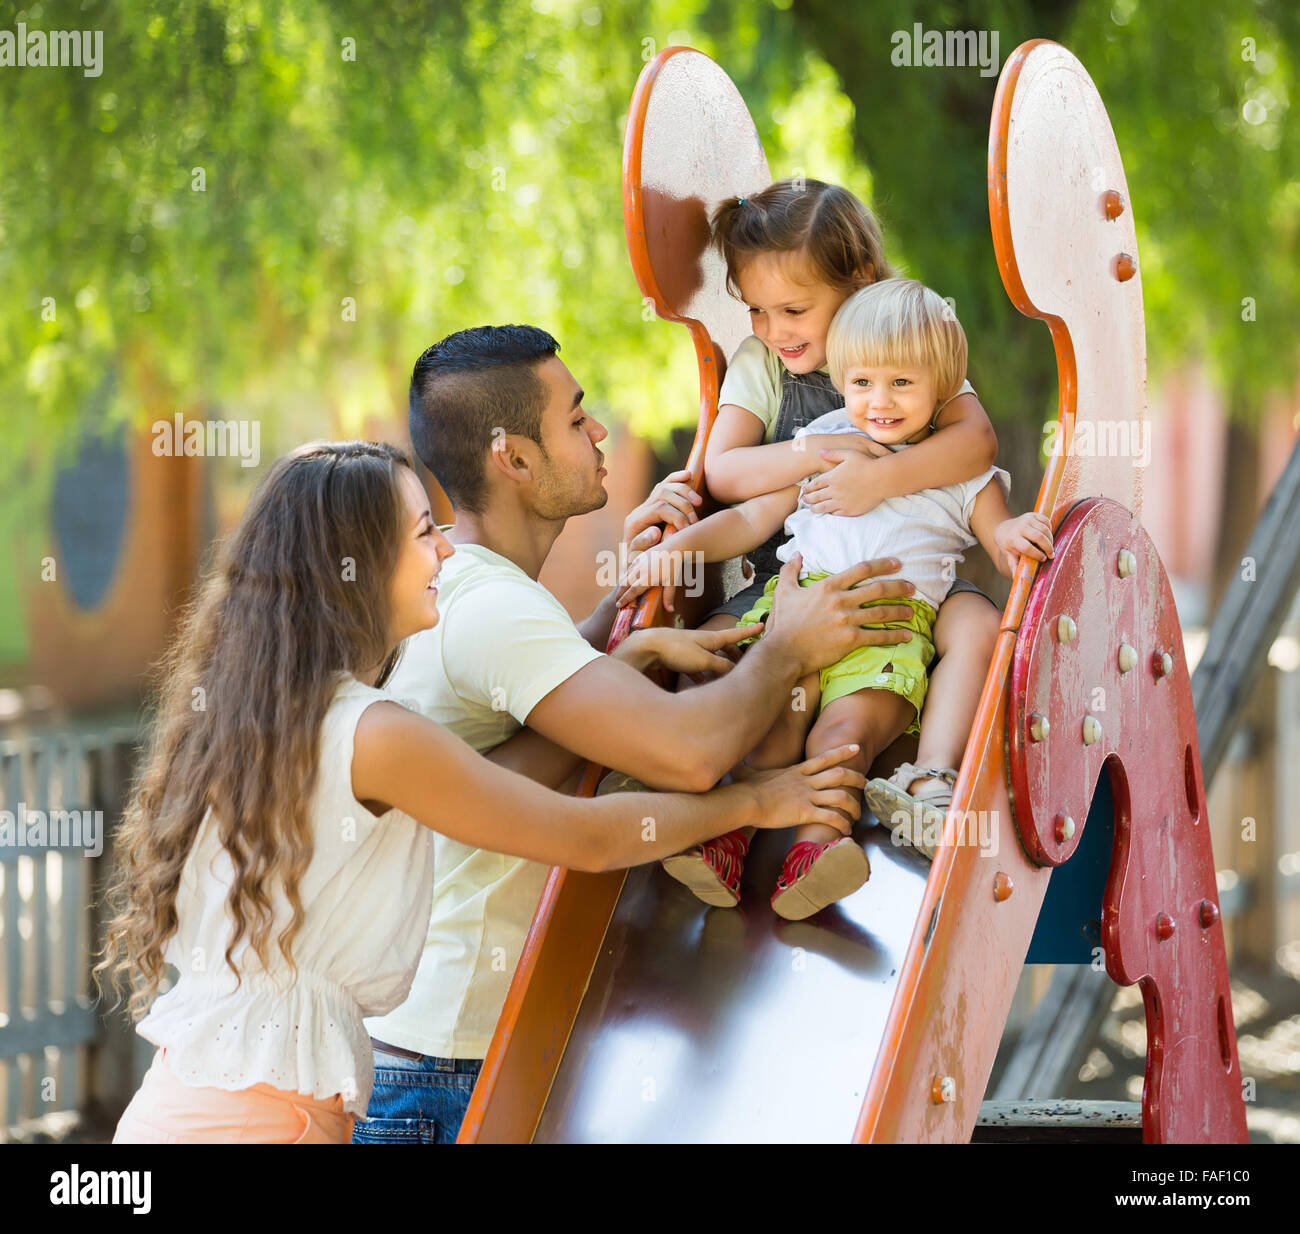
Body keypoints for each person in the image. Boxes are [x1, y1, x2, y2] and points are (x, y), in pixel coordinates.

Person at [95, 440, 870, 1144]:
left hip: (193, 1110)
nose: (444, 551)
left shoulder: (272, 711)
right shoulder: (370, 731)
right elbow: (586, 836)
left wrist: (616, 659)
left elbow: (489, 792)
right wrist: (760, 784)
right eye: (421, 532)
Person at [357, 325, 920, 1143]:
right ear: (512, 458)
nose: (599, 434)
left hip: (443, 1049)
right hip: (453, 1073)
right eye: (575, 418)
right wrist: (789, 645)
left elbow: (546, 692)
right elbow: (689, 756)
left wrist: (627, 603)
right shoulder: (493, 609)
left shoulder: (471, 588)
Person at [620, 280, 1053, 917]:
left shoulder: (957, 468)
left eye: (902, 384)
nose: (879, 402)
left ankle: (816, 854)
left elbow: (997, 534)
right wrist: (676, 550)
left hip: (888, 628)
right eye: (862, 383)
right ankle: (723, 840)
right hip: (795, 618)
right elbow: (750, 521)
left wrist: (1014, 531)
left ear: (944, 385)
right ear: (841, 379)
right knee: (769, 731)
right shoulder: (826, 441)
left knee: (844, 738)